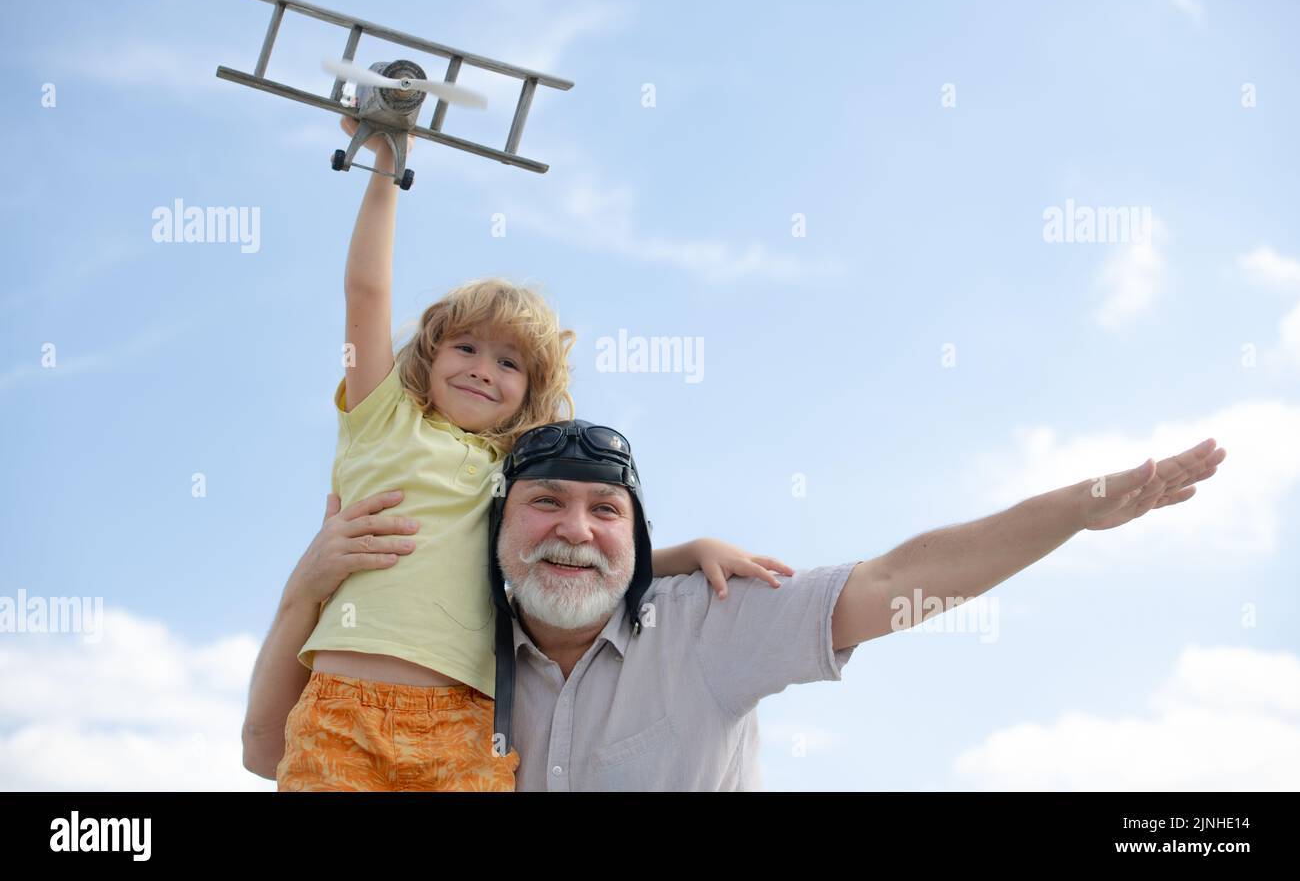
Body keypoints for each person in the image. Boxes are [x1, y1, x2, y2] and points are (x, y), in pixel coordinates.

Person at [247, 414, 1226, 790]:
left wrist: (1073, 509)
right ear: (496, 532)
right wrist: (306, 587)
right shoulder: (451, 657)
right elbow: (267, 750)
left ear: (637, 538)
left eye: (605, 510)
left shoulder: (710, 621)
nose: (575, 529)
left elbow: (892, 580)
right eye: (545, 502)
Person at [262, 119, 789, 791]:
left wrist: (694, 551)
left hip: (464, 722)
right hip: (342, 705)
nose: (484, 369)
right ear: (427, 357)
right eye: (466, 348)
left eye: (508, 361)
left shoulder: (516, 478)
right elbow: (365, 293)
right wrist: (389, 165)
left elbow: (584, 550)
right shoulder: (382, 419)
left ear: (529, 393)